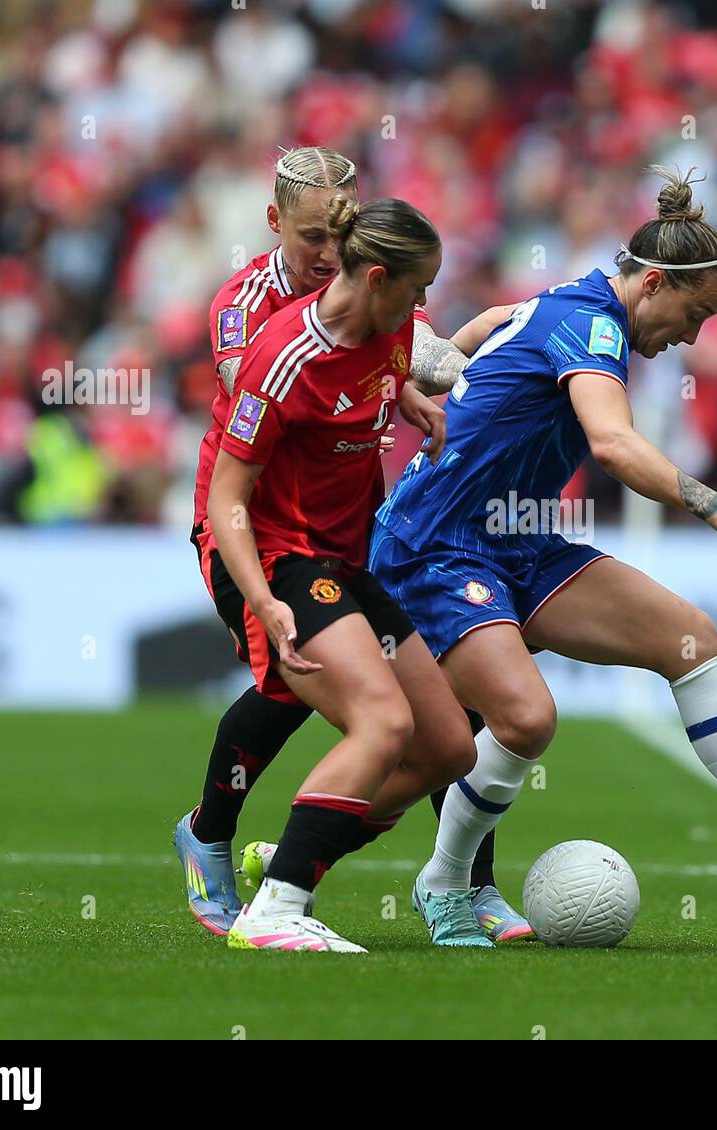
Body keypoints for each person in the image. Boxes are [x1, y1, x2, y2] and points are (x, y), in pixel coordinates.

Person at [367, 167, 717, 945]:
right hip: (435, 543)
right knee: (517, 719)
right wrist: (714, 503)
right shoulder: (595, 325)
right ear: (651, 283)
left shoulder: (569, 300)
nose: (694, 334)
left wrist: (443, 370)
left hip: (516, 538)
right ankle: (433, 885)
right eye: (694, 312)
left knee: (693, 642)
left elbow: (494, 322)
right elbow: (610, 444)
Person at [175, 146, 507, 936]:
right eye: (312, 237)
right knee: (343, 704)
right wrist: (257, 592)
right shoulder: (258, 323)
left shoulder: (380, 303)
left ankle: (301, 860)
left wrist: (406, 395)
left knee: (447, 735)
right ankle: (232, 850)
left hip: (348, 531)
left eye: (340, 235)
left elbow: (393, 359)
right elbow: (256, 430)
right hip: (260, 532)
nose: (328, 253)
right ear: (273, 224)